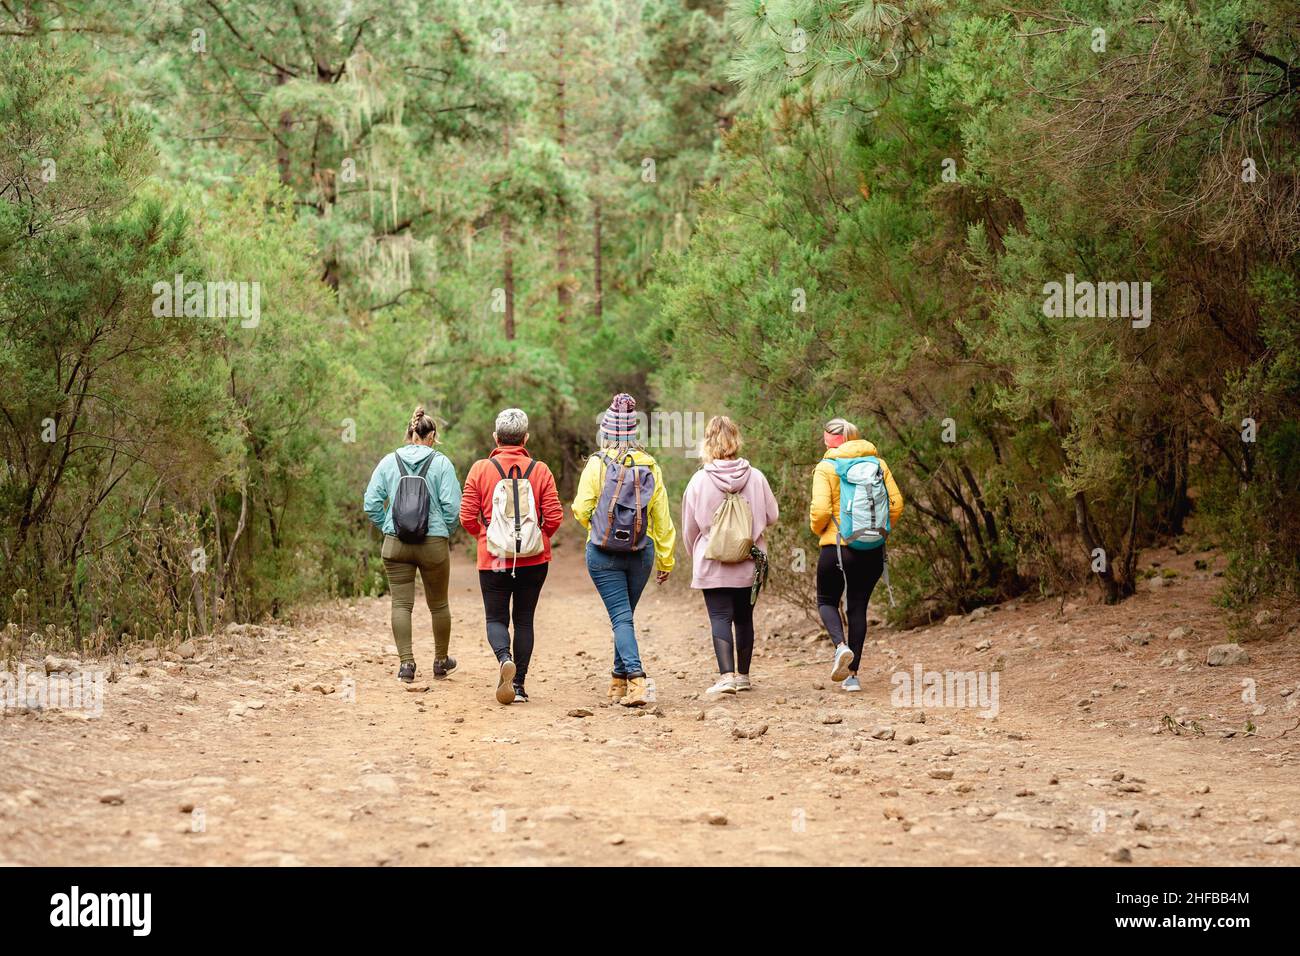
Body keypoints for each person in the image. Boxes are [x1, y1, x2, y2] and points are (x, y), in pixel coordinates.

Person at [571, 393, 676, 707]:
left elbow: (580, 508)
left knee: (621, 618)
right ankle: (618, 681)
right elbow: (661, 518)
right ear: (633, 433)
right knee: (624, 616)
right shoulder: (650, 465)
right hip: (640, 553)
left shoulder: (596, 464)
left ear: (606, 432)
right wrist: (666, 558)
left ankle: (636, 679)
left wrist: (597, 526)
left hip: (602, 554)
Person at [459, 408, 564, 705]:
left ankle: (504, 658)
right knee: (525, 620)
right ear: (526, 438)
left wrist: (485, 536)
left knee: (496, 617)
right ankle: (518, 685)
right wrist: (538, 539)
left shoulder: (480, 469)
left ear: (496, 437)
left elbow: (467, 516)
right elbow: (554, 517)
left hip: (493, 557)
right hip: (534, 559)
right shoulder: (540, 470)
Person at [681, 416, 779, 695]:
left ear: (707, 443)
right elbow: (772, 516)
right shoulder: (757, 477)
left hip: (712, 562)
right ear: (737, 440)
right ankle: (744, 676)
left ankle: (726, 677)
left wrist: (697, 554)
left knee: (719, 617)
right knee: (744, 618)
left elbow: (689, 527)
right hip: (749, 561)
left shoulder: (699, 480)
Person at [364, 405, 462, 683]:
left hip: (396, 543)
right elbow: (453, 507)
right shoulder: (441, 463)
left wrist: (388, 525)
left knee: (401, 605)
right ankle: (441, 662)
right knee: (439, 605)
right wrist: (443, 531)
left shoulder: (388, 461)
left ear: (410, 434)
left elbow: (370, 503)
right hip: (433, 543)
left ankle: (406, 665)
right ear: (431, 436)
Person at [809, 418, 903, 692]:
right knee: (858, 607)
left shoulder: (826, 467)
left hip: (836, 547)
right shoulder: (879, 464)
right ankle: (852, 676)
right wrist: (877, 532)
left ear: (829, 442)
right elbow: (896, 505)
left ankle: (840, 646)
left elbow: (821, 511)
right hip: (872, 548)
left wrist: (820, 531)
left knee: (826, 600)